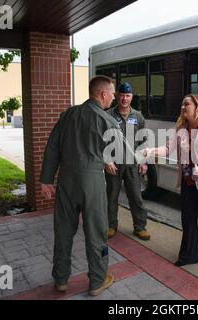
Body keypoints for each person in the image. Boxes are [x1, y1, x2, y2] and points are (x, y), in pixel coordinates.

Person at [40, 75, 122, 297]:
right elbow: (116, 154)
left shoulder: (67, 115)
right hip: (92, 182)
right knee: (96, 231)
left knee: (63, 230)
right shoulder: (108, 121)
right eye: (112, 93)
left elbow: (52, 147)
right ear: (103, 94)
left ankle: (60, 280)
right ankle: (98, 280)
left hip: (66, 180)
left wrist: (47, 180)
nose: (114, 98)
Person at [144, 94, 198, 266]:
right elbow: (168, 149)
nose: (183, 107)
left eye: (186, 104)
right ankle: (189, 256)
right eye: (182, 104)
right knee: (188, 217)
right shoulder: (181, 129)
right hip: (188, 180)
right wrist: (152, 150)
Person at [105, 82, 150, 241]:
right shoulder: (108, 115)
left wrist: (144, 162)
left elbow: (144, 141)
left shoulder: (138, 116)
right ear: (117, 95)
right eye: (122, 95)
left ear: (132, 97)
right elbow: (102, 141)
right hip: (114, 165)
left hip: (132, 164)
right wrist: (107, 161)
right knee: (111, 196)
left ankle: (140, 227)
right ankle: (111, 225)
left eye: (128, 96)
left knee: (136, 197)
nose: (124, 99)